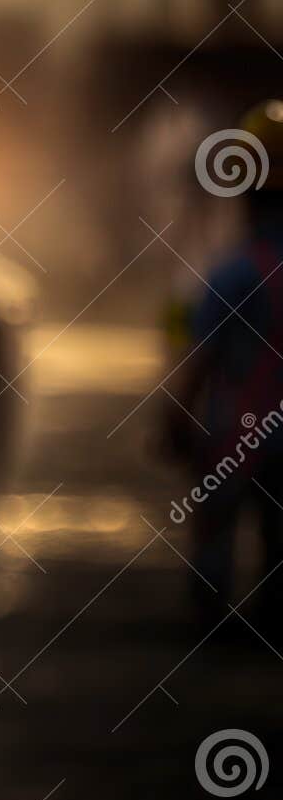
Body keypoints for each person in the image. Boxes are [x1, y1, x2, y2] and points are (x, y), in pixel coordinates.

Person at [167, 100, 283, 640]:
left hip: (233, 435)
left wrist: (172, 420)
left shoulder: (235, 271)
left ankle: (209, 627)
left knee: (214, 542)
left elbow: (200, 358)